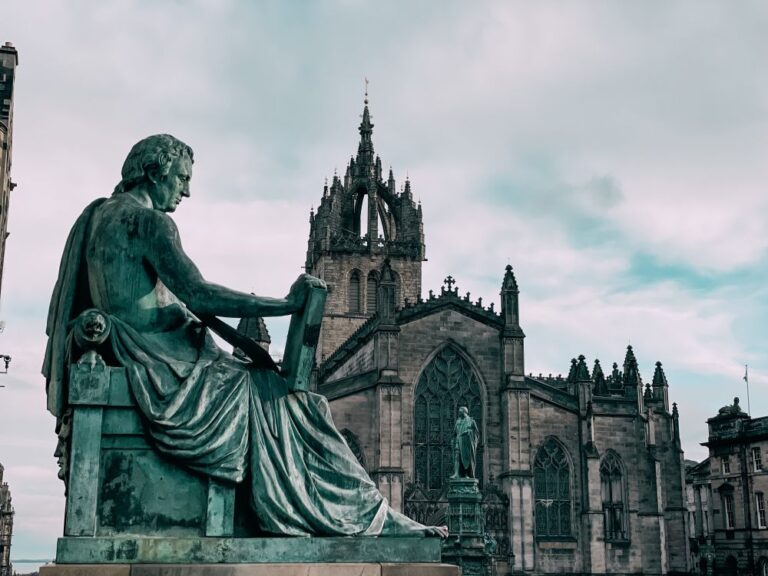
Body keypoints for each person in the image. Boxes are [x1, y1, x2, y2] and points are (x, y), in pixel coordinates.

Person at [43, 134, 447, 538]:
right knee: (299, 405)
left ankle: (367, 514)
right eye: (182, 178)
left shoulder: (98, 215)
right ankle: (369, 518)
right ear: (153, 172)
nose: (187, 189)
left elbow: (171, 299)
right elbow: (198, 292)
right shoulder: (150, 223)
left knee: (287, 395)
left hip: (152, 352)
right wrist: (286, 304)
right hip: (162, 363)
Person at [451, 406, 479, 479]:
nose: (458, 413)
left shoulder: (471, 421)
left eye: (460, 412)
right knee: (457, 457)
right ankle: (456, 473)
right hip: (458, 441)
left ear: (464, 412)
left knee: (466, 458)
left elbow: (476, 433)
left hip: (467, 443)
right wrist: (453, 440)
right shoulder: (458, 421)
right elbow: (454, 433)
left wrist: (469, 432)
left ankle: (467, 474)